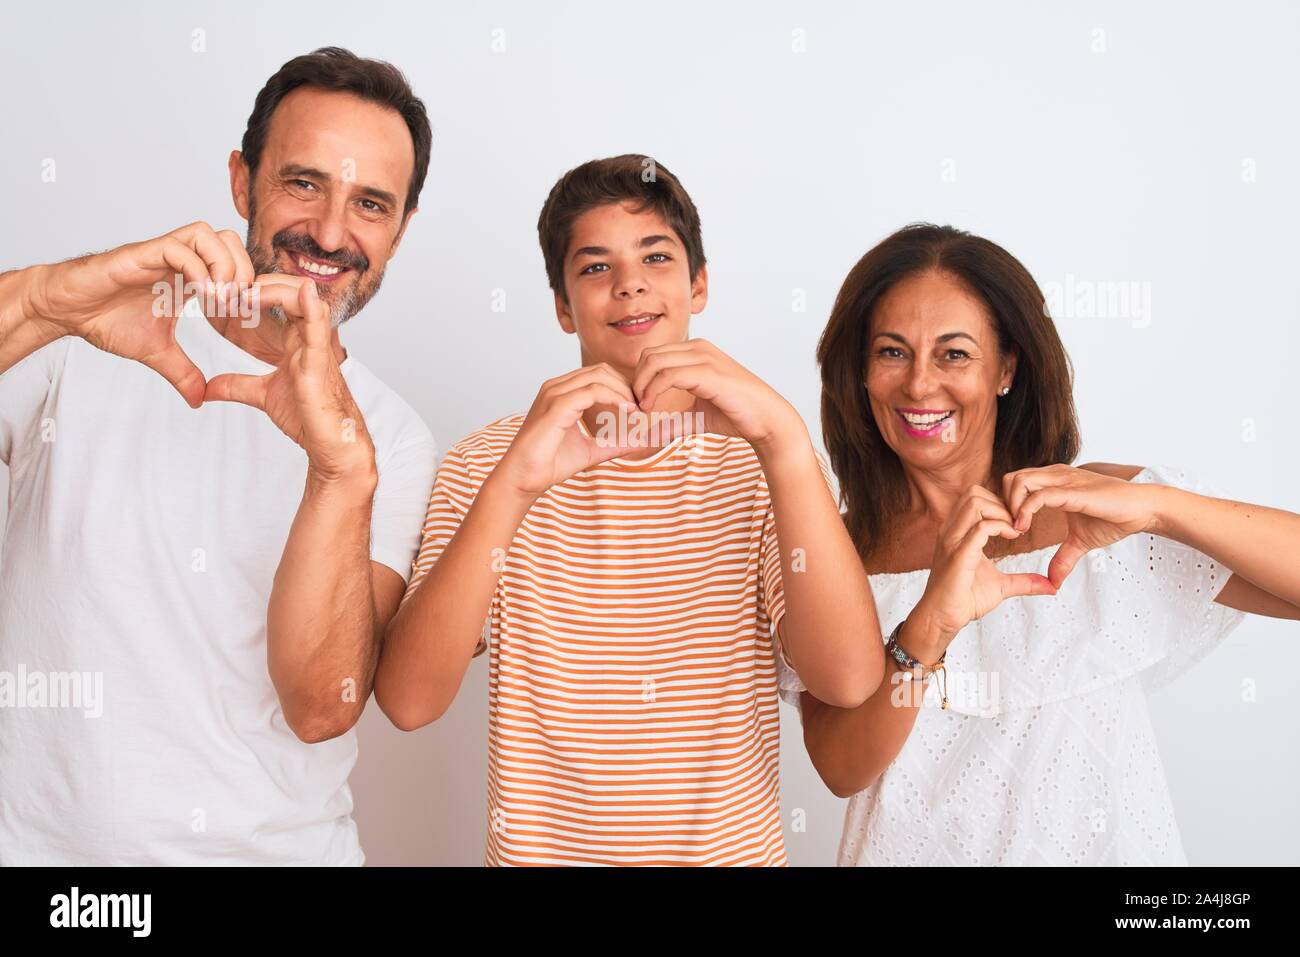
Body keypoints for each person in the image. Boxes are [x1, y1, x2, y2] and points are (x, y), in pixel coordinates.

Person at [377, 154, 884, 866]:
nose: (630, 283)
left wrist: (788, 443)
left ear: (697, 284)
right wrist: (514, 486)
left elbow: (850, 679)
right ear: (562, 306)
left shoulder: (763, 462)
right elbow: (407, 702)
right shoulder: (486, 463)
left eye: (655, 256)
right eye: (594, 267)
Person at [0, 47, 436, 865]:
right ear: (243, 181)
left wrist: (339, 473)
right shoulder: (84, 334)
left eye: (370, 203)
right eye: (303, 182)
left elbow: (320, 705)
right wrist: (52, 296)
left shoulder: (395, 437)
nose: (331, 232)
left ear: (401, 229)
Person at [789, 222, 1300, 866]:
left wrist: (1160, 508)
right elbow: (841, 769)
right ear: (859, 372)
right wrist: (931, 621)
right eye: (892, 352)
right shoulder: (833, 553)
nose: (920, 386)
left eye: (954, 354)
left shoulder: (1101, 513)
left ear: (1006, 367)